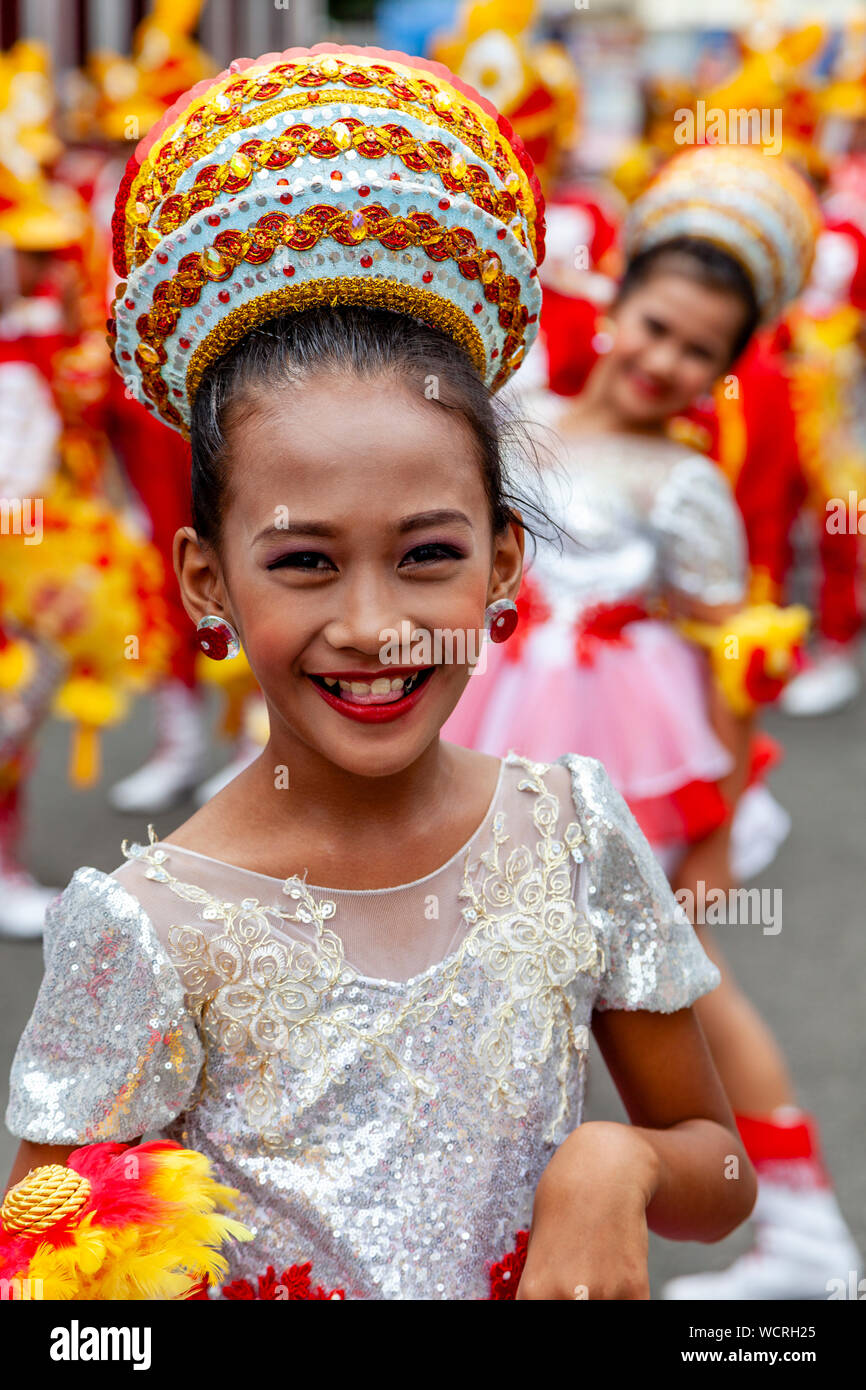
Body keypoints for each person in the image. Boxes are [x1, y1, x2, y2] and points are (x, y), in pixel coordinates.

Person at [3, 44, 756, 1301]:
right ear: (205, 583)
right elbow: (48, 1295)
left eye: (426, 556)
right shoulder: (141, 929)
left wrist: (610, 1164)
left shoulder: (572, 833)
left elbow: (717, 1175)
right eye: (302, 561)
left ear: (503, 564)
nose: (374, 625)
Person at [444, 144, 861, 1299]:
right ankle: (501, 1239)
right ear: (614, 303)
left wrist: (721, 833)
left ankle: (806, 1235)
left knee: (676, 982)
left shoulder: (686, 489)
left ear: (723, 370)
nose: (664, 360)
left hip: (625, 759)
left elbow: (733, 662)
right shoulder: (513, 415)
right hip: (487, 727)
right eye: (655, 324)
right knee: (502, 979)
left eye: (699, 351)